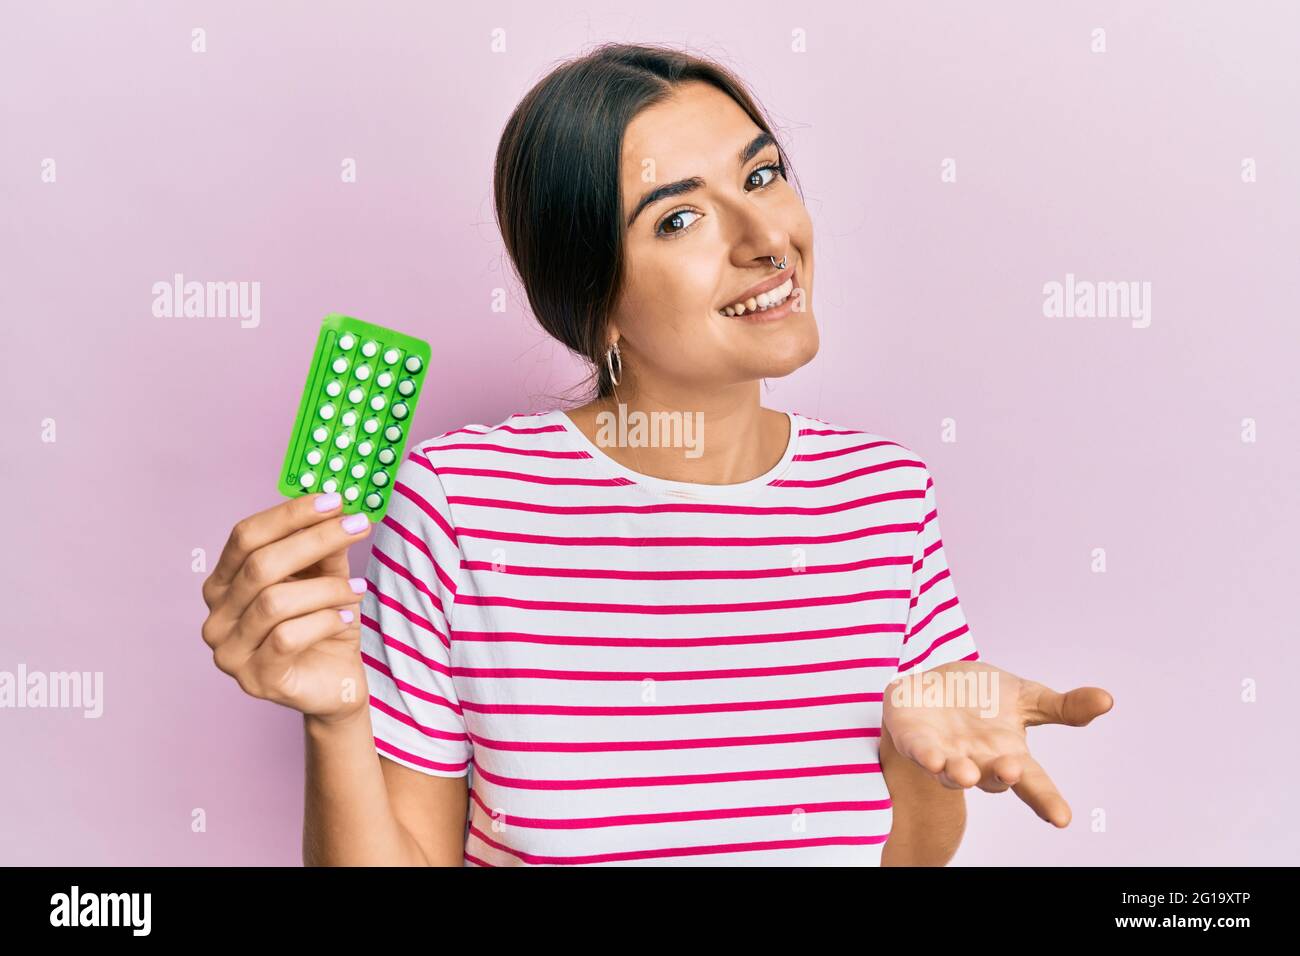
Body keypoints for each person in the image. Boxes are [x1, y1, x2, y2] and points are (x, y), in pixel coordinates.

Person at [200, 42, 1113, 866]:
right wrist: (337, 718)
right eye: (679, 220)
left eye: (762, 176)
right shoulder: (460, 509)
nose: (766, 241)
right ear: (592, 302)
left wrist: (918, 762)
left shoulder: (884, 496)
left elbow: (906, 859)